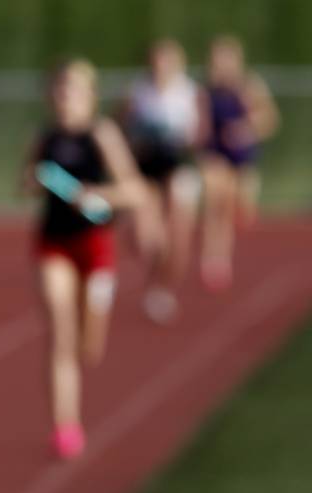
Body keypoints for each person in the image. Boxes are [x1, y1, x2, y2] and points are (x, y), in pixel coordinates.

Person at [22, 59, 148, 460]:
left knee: (88, 346)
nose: (66, 97)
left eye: (74, 89)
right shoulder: (45, 136)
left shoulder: (102, 134)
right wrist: (35, 179)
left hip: (94, 244)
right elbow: (23, 183)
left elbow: (136, 191)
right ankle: (65, 426)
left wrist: (97, 194)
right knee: (60, 334)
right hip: (54, 243)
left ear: (90, 96)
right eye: (60, 88)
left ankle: (83, 353)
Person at [121, 39, 204, 323]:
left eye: (167, 60)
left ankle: (163, 288)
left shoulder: (190, 92)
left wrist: (180, 138)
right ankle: (155, 268)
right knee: (146, 236)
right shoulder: (137, 92)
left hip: (179, 166)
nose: (160, 66)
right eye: (156, 60)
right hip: (146, 166)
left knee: (178, 233)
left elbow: (203, 133)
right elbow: (119, 126)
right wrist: (139, 137)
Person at [199, 35, 279, 291]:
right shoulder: (206, 90)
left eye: (226, 59)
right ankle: (214, 258)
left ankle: (225, 246)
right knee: (215, 202)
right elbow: (200, 125)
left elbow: (270, 118)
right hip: (216, 154)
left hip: (242, 156)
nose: (221, 65)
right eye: (216, 60)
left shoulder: (249, 86)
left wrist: (246, 128)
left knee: (240, 208)